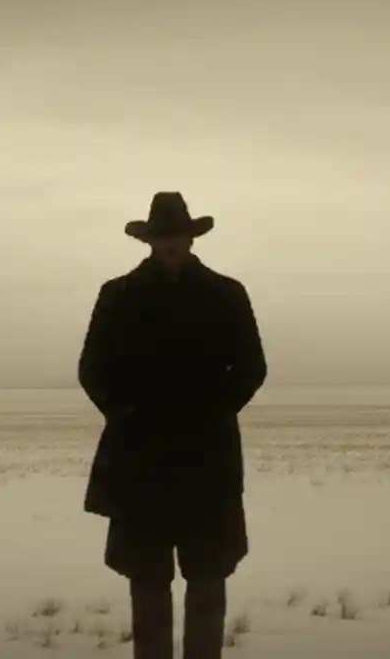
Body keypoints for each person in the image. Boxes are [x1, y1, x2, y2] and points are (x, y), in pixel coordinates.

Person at [78, 191, 267, 659]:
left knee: (207, 575)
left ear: (190, 238)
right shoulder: (117, 295)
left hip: (206, 459)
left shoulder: (227, 294)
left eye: (176, 237)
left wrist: (214, 411)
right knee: (147, 578)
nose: (169, 246)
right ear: (149, 241)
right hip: (141, 458)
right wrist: (126, 414)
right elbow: (92, 369)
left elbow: (252, 368)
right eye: (161, 238)